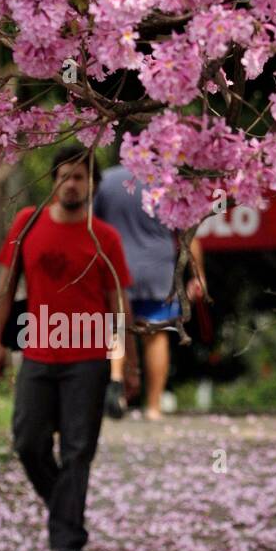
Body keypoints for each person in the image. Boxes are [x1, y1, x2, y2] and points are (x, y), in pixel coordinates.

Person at [0, 147, 140, 551]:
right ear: (54, 180)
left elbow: (118, 306)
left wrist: (126, 364)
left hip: (87, 359)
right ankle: (66, 511)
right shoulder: (27, 223)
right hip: (37, 353)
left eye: (80, 177)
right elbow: (6, 286)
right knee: (28, 441)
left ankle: (66, 541)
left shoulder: (104, 236)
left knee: (77, 450)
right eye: (65, 176)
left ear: (92, 185)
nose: (72, 184)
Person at [93, 163, 205, 420]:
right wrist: (198, 276)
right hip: (158, 269)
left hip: (116, 267)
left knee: (117, 329)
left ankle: (117, 384)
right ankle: (153, 406)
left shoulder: (106, 181)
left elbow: (90, 226)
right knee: (156, 334)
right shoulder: (167, 182)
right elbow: (188, 234)